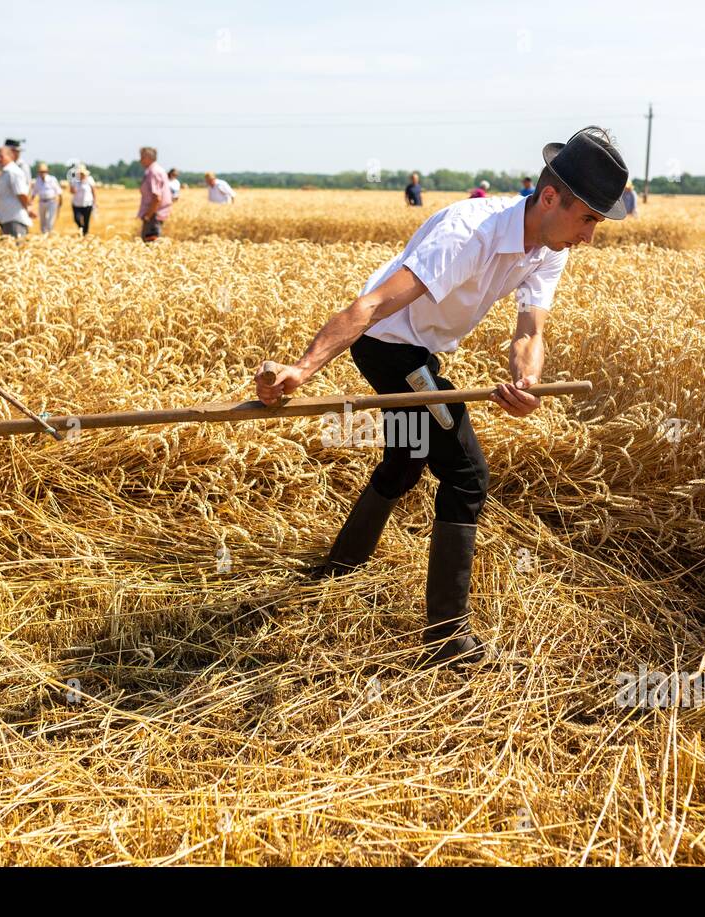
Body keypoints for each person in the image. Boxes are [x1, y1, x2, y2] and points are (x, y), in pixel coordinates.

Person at [254, 125, 628, 668]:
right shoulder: (467, 234)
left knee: (407, 458)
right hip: (388, 348)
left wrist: (526, 383)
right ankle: (447, 636)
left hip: (419, 353)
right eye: (588, 218)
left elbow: (529, 333)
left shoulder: (550, 244)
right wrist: (303, 368)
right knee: (467, 472)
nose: (589, 235)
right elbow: (374, 306)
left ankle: (339, 568)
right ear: (550, 198)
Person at [0, 145, 32, 238]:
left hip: (15, 218)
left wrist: (28, 208)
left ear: (10, 156)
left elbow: (21, 194)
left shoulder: (14, 172)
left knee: (17, 248)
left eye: (1, 156)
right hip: (6, 218)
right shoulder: (5, 172)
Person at [137, 147, 172, 241]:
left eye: (142, 157)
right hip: (154, 214)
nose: (140, 160)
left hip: (153, 215)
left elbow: (156, 197)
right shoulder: (157, 170)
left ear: (148, 157)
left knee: (150, 245)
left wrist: (148, 215)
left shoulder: (153, 172)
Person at [29, 162, 61, 234]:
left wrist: (60, 202)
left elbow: (58, 191)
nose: (42, 173)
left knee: (50, 219)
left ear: (47, 172)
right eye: (41, 172)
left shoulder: (52, 179)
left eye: (44, 171)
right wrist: (31, 201)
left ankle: (49, 232)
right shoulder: (37, 180)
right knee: (42, 220)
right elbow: (34, 192)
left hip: (51, 202)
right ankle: (44, 234)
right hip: (42, 202)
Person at [70, 164, 97, 234]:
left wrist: (95, 201)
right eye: (80, 173)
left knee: (86, 220)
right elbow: (71, 191)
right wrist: (73, 189)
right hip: (77, 204)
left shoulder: (90, 179)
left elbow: (94, 190)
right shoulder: (74, 180)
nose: (81, 175)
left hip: (87, 204)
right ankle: (81, 228)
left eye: (82, 173)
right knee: (77, 219)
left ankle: (85, 233)